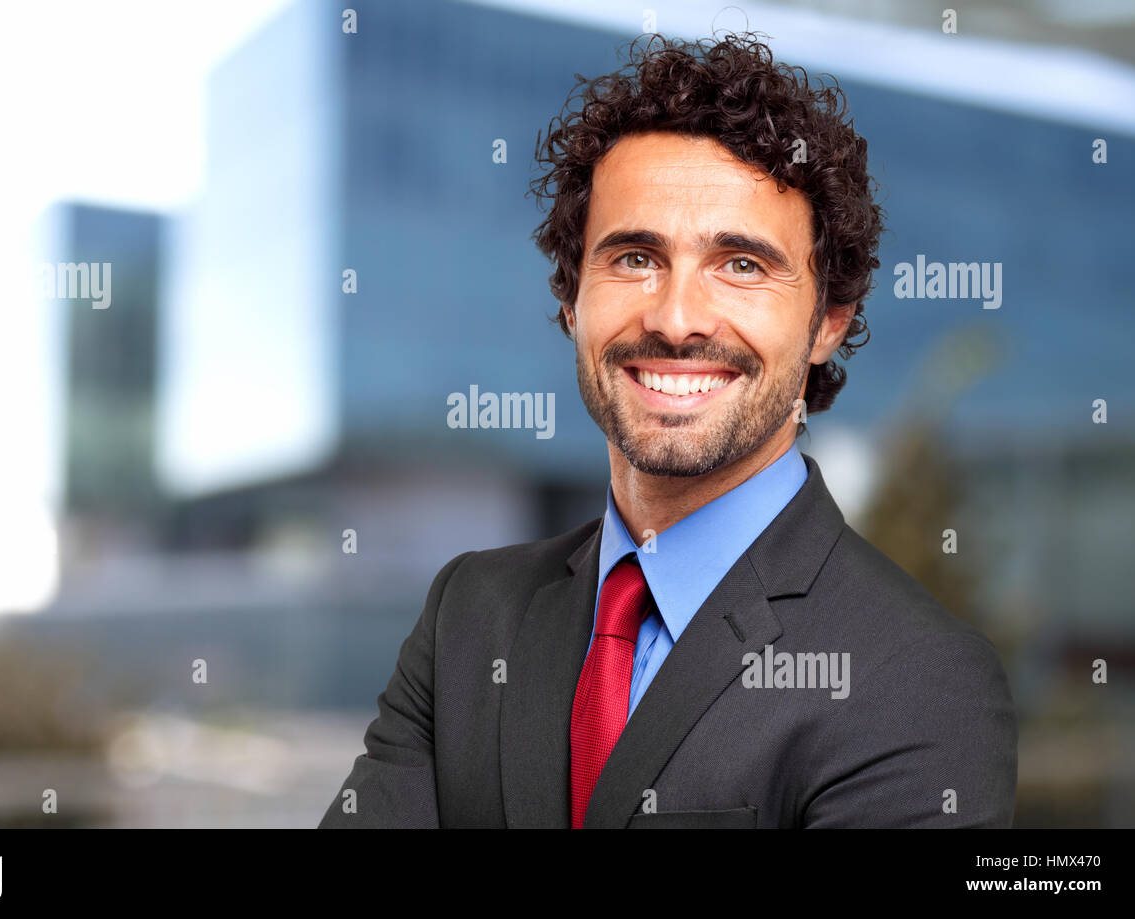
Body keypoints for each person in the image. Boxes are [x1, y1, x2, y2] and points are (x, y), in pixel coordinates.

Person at [320, 31, 1016, 829]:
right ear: (570, 302)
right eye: (634, 257)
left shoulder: (918, 679)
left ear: (828, 322)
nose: (677, 318)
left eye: (742, 265)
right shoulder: (469, 616)